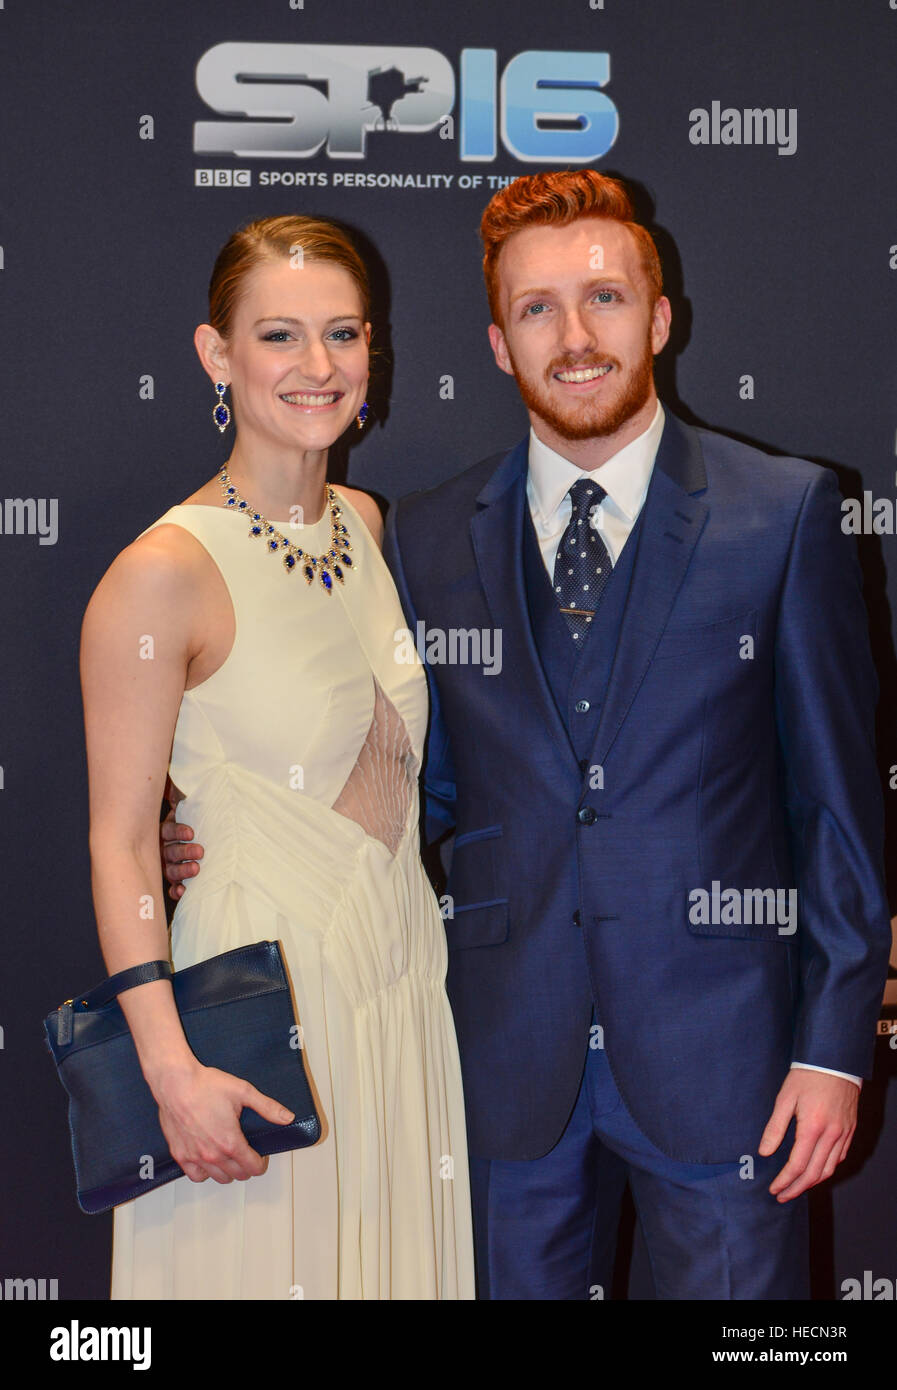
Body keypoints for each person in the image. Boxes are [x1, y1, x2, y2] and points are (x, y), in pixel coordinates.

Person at [163, 173, 892, 1300]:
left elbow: (840, 809)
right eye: (537, 309)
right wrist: (240, 828)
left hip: (732, 1069)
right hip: (497, 1075)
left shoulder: (783, 512)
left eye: (604, 297)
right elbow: (418, 783)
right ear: (499, 343)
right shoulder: (431, 534)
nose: (576, 336)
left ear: (659, 317)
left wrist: (834, 1044)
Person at [81, 214, 475, 1300]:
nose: (318, 367)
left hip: (397, 989)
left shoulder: (368, 524)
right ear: (217, 355)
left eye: (343, 334)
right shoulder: (162, 573)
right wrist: (171, 1074)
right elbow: (119, 841)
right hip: (250, 1020)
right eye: (279, 336)